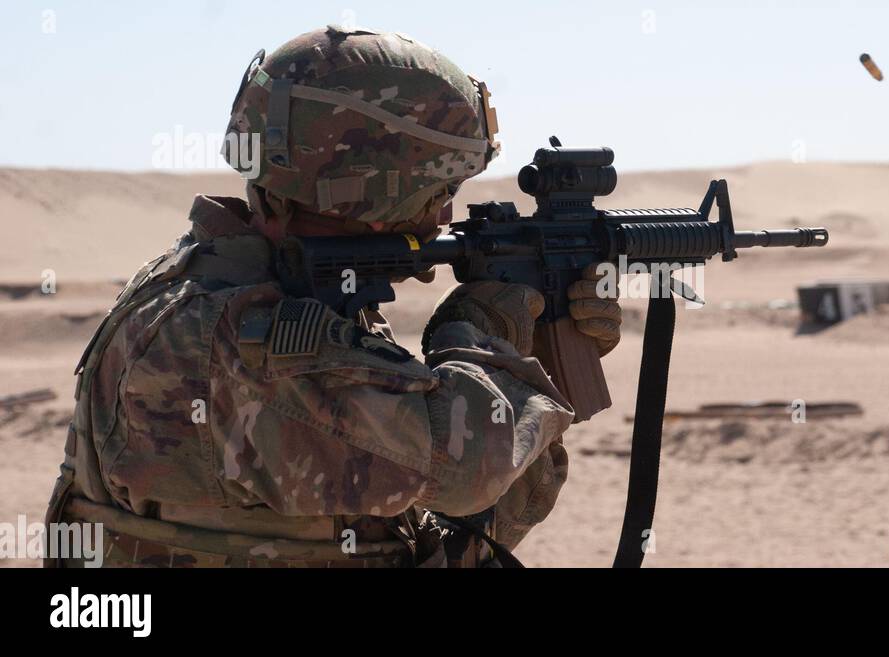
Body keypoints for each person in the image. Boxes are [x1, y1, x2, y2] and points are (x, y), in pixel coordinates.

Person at [44, 25, 621, 567]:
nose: (445, 215)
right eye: (439, 189)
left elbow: (422, 523)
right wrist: (481, 332)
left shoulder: (246, 290)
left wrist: (541, 341)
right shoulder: (232, 339)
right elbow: (466, 468)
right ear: (371, 189)